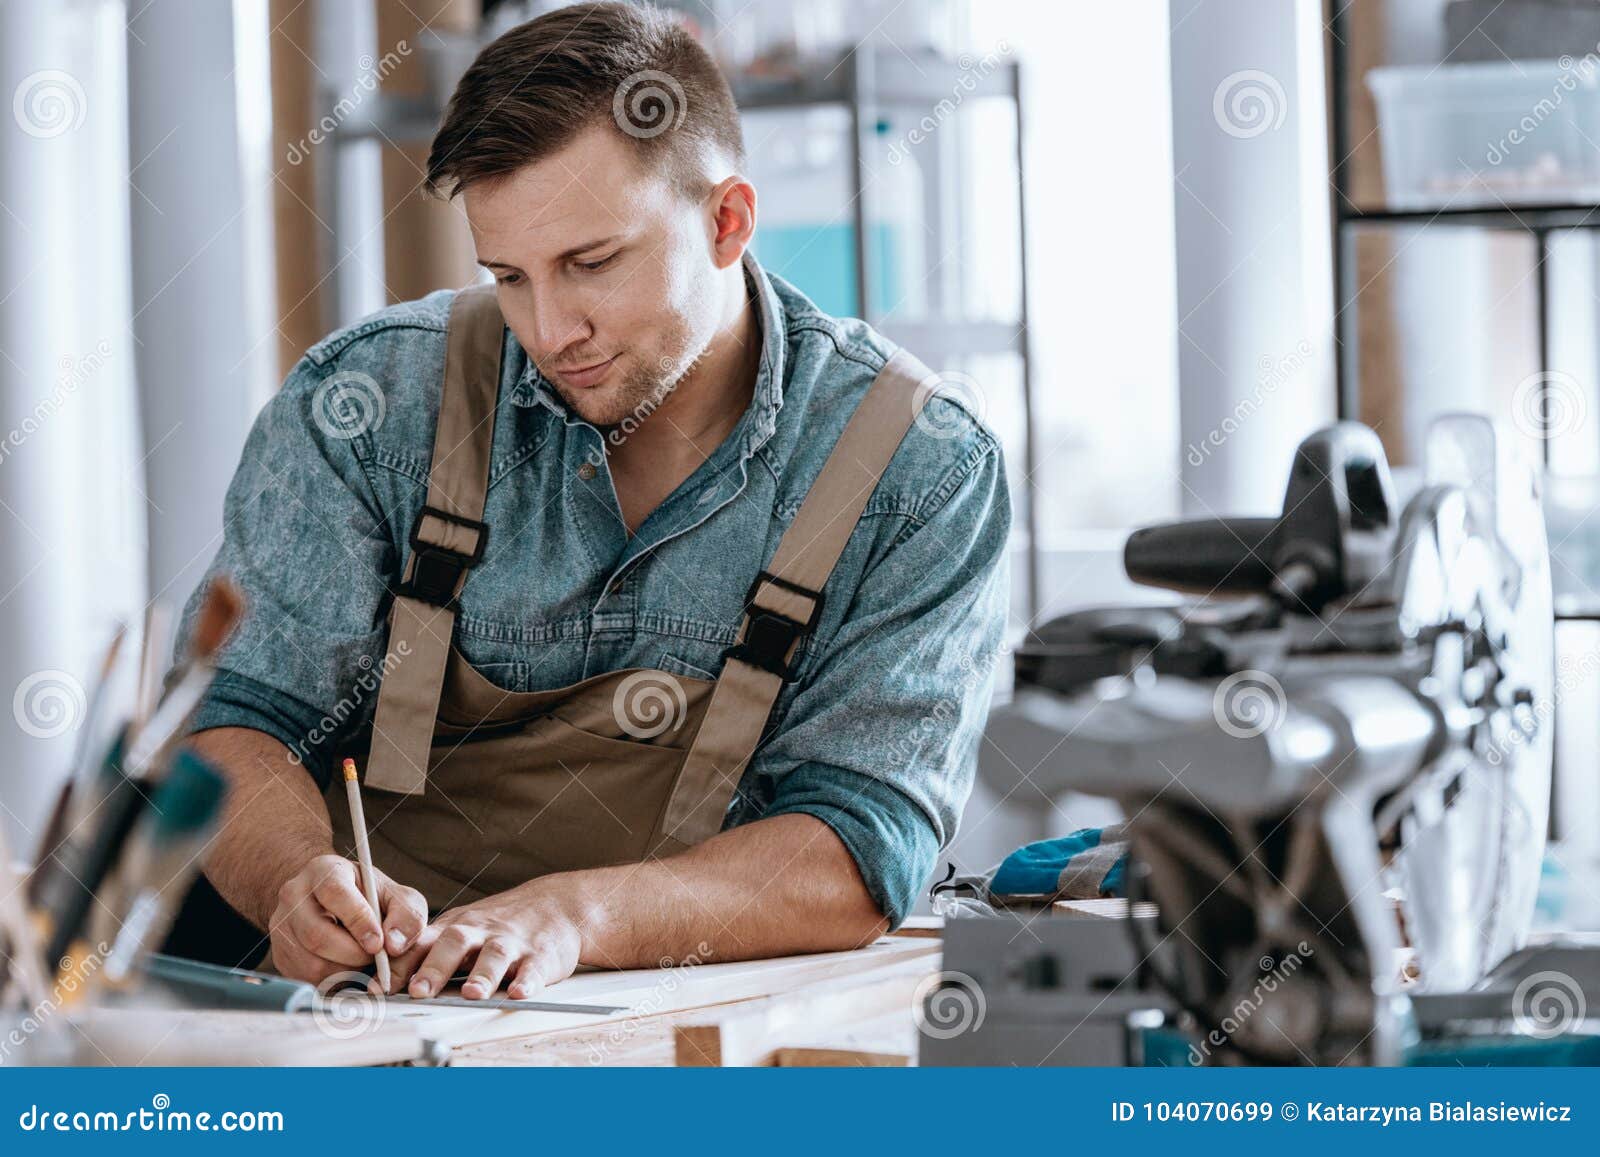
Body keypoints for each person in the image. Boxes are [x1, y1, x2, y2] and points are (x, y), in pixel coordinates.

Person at [168, 1, 1009, 1001]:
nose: (551, 327)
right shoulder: (371, 406)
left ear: (726, 219)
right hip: (366, 1016)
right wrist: (289, 882)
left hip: (671, 1025)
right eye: (509, 277)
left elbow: (862, 846)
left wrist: (575, 914)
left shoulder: (916, 465)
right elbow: (232, 720)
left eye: (591, 263)